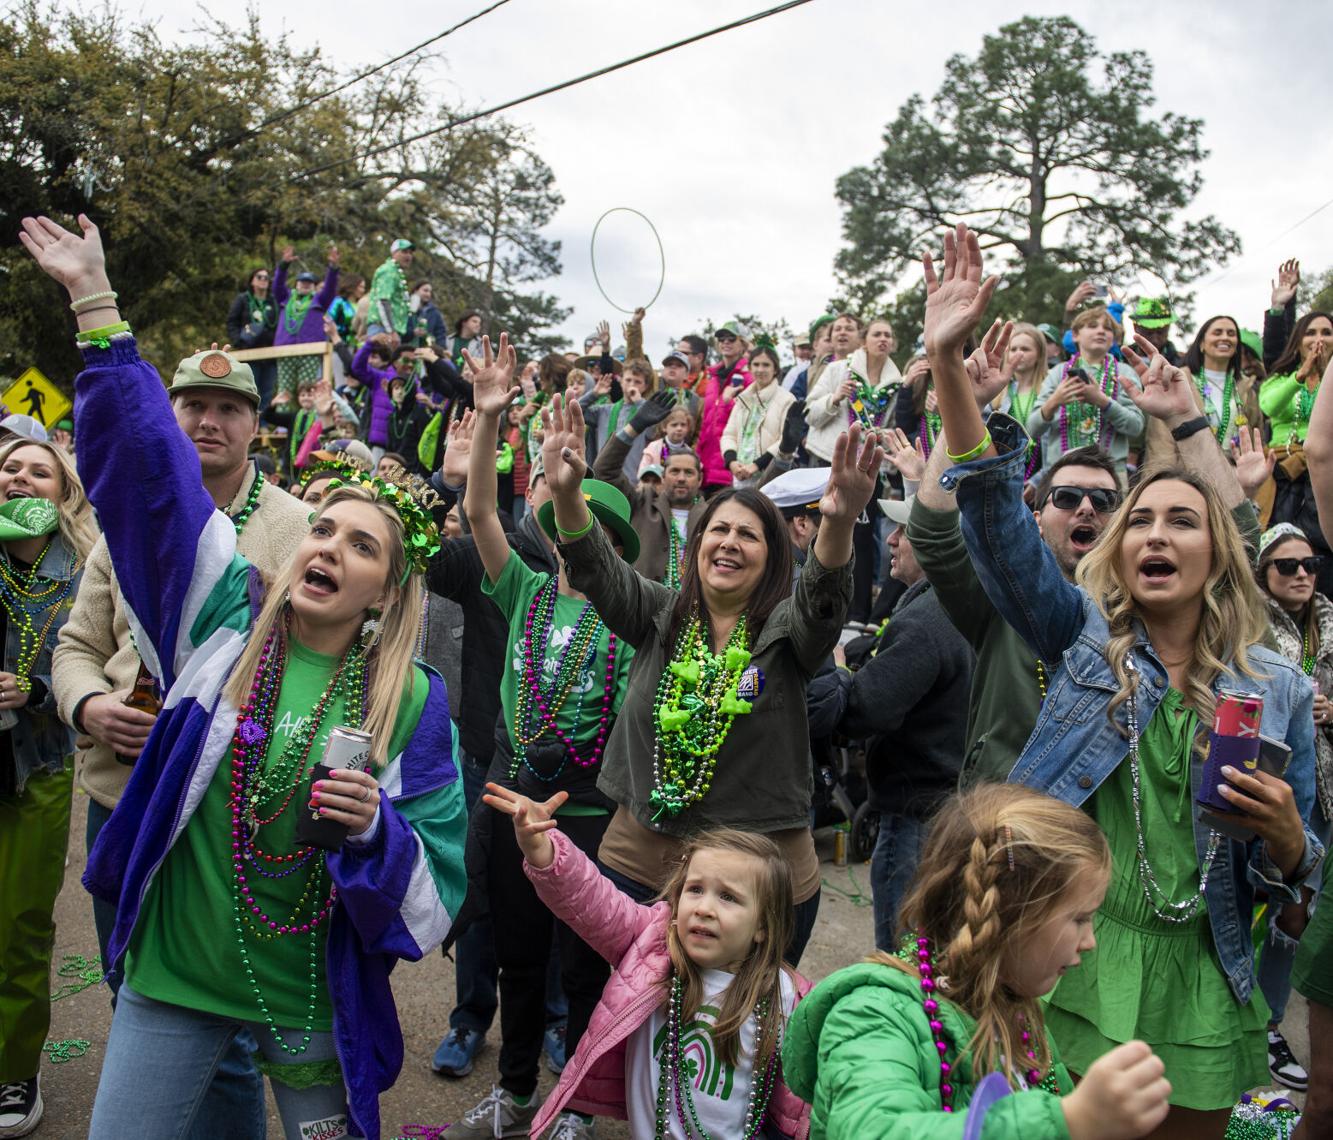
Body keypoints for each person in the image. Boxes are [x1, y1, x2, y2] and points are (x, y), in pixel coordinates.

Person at [21, 211, 467, 1140]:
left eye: (361, 545)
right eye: (324, 528)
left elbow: (433, 905)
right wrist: (95, 306)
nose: (331, 548)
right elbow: (151, 482)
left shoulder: (413, 704)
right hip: (174, 981)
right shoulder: (221, 619)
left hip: (307, 1000)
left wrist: (375, 832)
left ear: (386, 589)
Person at [926, 223, 1322, 1130]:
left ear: (1218, 554)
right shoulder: (1081, 643)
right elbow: (990, 511)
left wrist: (1293, 841)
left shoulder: (1279, 689)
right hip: (1074, 962)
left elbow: (1294, 888)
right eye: (1136, 521)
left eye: (1181, 522)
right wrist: (948, 365)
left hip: (1205, 968)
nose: (1152, 534)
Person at [52, 337, 316, 1136]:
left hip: (224, 820)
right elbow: (75, 645)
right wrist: (89, 705)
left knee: (220, 1021)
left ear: (254, 427)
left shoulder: (300, 527)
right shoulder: (118, 526)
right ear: (167, 419)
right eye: (193, 407)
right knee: (128, 981)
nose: (208, 421)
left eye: (228, 409)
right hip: (122, 794)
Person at [540, 389, 883, 967]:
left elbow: (823, 598)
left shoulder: (788, 630)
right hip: (642, 865)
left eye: (748, 535)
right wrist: (569, 494)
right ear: (696, 546)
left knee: (743, 1037)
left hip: (759, 877)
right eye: (718, 530)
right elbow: (597, 568)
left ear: (772, 557)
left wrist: (840, 520)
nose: (729, 542)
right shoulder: (657, 612)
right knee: (627, 1024)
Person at [449, 334, 636, 1139]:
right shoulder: (523, 587)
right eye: (564, 525)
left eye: (586, 527)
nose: (568, 541)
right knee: (517, 961)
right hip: (512, 803)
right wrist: (491, 416)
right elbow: (481, 509)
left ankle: (580, 1113)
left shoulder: (632, 613)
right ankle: (519, 1094)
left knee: (587, 967)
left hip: (590, 814)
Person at [784, 784, 1172, 1139]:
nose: (1089, 942)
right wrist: (1068, 1120)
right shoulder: (873, 1015)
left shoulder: (1015, 1010)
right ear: (1011, 917)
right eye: (1079, 919)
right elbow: (872, 1130)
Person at [483, 790, 812, 1140]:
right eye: (695, 889)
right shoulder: (651, 949)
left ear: (763, 925)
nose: (703, 907)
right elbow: (592, 899)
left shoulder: (787, 999)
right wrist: (543, 848)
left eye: (728, 897)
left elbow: (809, 1096)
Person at [423, 417, 568, 1083]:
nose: (561, 492)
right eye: (546, 477)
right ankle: (470, 1018)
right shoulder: (494, 553)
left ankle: (555, 1021)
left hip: (568, 773)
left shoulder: (602, 576)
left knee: (562, 897)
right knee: (480, 896)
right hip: (488, 755)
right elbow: (420, 550)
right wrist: (445, 480)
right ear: (527, 488)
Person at [809, 496, 973, 948]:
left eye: (906, 533)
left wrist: (840, 669)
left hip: (916, 819)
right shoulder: (962, 601)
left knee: (904, 958)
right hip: (950, 808)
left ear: (939, 545)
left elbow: (865, 711)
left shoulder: (927, 619)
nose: (891, 539)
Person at [0, 440, 94, 1139]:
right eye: (8, 467)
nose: (19, 477)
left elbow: (101, 665)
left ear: (63, 492)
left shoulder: (86, 572)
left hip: (38, 766)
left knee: (21, 927)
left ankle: (15, 1070)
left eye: (38, 469)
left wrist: (33, 688)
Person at [1252, 523, 1333, 1091]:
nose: (1301, 573)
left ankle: (1270, 1021)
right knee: (1272, 912)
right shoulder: (1247, 625)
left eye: (1308, 563)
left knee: (1299, 917)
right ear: (1263, 575)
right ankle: (1256, 1022)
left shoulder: (1332, 626)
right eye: (1285, 565)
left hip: (1326, 792)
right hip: (1270, 796)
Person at [592, 392, 707, 588]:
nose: (680, 478)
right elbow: (604, 471)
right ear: (662, 477)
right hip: (645, 608)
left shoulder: (712, 514)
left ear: (700, 479)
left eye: (688, 472)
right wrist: (634, 427)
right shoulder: (641, 503)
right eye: (674, 471)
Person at [1259, 310, 1333, 596]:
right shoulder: (1281, 378)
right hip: (1283, 475)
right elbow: (1270, 406)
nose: (1319, 339)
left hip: (1323, 474)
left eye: (1326, 332)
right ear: (1298, 341)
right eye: (1311, 332)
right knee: (1282, 544)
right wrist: (1301, 375)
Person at [1028, 307, 1144, 482]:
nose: (1100, 331)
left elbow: (1136, 427)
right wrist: (1054, 401)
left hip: (1110, 476)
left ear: (1114, 338)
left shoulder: (1124, 373)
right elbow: (1031, 429)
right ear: (1075, 335)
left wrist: (1102, 402)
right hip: (1060, 473)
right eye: (1092, 326)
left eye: (1108, 328)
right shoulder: (1058, 373)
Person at [720, 342, 797, 486]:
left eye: (766, 365)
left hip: (771, 475)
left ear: (775, 369)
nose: (760, 369)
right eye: (756, 364)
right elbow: (729, 434)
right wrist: (732, 462)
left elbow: (785, 440)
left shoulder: (787, 399)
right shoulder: (743, 398)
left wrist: (757, 465)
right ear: (749, 368)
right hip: (740, 476)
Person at [272, 245, 339, 403]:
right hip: (285, 349)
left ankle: (307, 421)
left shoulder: (319, 301)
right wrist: (283, 265)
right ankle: (283, 426)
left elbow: (330, 288)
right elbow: (277, 285)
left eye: (309, 282)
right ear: (296, 284)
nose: (305, 284)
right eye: (302, 282)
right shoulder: (285, 297)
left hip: (310, 350)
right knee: (285, 390)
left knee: (307, 388)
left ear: (315, 287)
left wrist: (333, 268)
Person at [696, 322, 753, 496]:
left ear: (742, 343)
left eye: (731, 339)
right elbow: (706, 421)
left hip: (730, 463)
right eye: (721, 339)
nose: (725, 342)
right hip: (706, 463)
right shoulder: (712, 378)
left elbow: (750, 419)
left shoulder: (749, 377)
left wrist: (728, 402)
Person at [225, 266, 278, 407]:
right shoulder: (243, 299)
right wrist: (238, 341)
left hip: (270, 355)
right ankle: (248, 423)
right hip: (249, 352)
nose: (263, 280)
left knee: (267, 391)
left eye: (266, 278)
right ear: (252, 281)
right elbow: (232, 322)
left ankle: (262, 423)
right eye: (259, 277)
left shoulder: (273, 301)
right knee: (249, 388)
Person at [367, 238, 415, 338]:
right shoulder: (389, 271)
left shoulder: (397, 272)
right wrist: (391, 331)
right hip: (382, 330)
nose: (408, 256)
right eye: (404, 252)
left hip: (390, 330)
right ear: (394, 253)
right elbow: (383, 301)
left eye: (410, 253)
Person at [411, 282, 448, 346]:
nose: (428, 294)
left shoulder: (434, 313)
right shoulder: (405, 308)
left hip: (427, 350)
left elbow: (440, 333)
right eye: (425, 290)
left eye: (430, 292)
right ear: (416, 291)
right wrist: (412, 333)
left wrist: (441, 348)